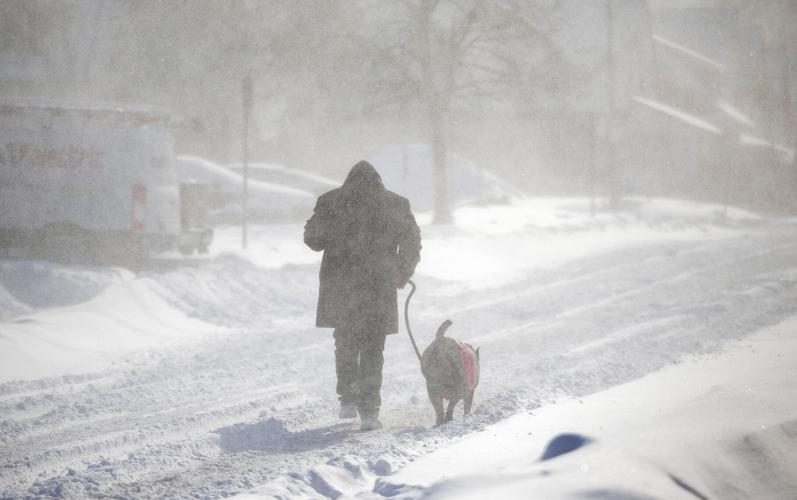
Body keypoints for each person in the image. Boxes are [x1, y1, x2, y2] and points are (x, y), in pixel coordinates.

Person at [304, 160, 421, 431]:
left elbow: (312, 239)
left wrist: (335, 228)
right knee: (372, 346)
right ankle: (369, 411)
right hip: (377, 286)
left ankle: (347, 397)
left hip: (341, 285)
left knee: (345, 341)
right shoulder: (396, 204)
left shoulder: (330, 201)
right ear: (378, 181)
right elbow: (412, 241)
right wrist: (403, 270)